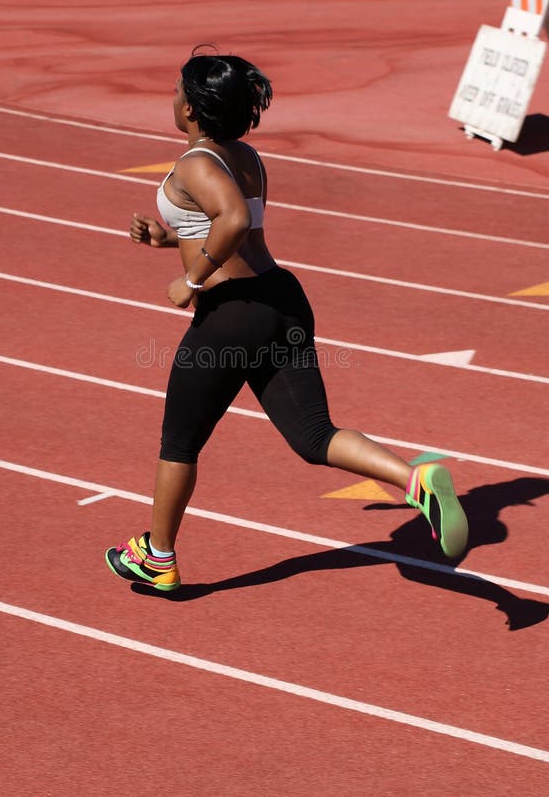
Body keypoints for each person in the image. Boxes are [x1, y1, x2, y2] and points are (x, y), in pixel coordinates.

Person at [105, 48, 468, 592]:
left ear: (193, 108)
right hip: (281, 299)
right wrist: (166, 239)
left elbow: (229, 219)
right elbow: (230, 227)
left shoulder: (195, 163)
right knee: (314, 436)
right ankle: (414, 479)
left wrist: (193, 279)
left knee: (179, 442)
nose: (173, 97)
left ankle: (158, 557)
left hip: (233, 315)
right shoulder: (246, 156)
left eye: (178, 89)